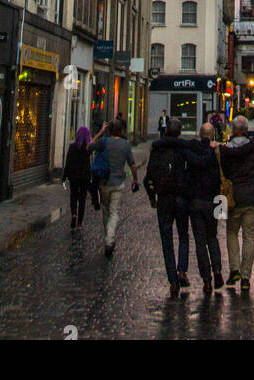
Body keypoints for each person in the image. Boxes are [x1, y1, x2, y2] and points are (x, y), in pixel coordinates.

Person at [220, 114, 254, 291]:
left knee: (231, 233)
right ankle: (245, 277)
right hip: (251, 197)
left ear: (234, 130)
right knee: (249, 237)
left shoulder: (226, 149)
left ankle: (234, 268)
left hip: (233, 199)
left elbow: (222, 173)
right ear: (247, 130)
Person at [144, 116, 192, 297]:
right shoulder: (185, 148)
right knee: (183, 235)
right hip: (181, 197)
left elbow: (148, 176)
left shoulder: (157, 149)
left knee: (166, 239)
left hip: (163, 198)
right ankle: (182, 271)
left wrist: (152, 197)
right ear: (180, 132)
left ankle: (172, 280)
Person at [89, 118, 140, 257]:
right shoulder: (125, 145)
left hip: (104, 183)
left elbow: (89, 146)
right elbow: (132, 164)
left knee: (106, 210)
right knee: (114, 211)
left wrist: (100, 132)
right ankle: (109, 239)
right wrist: (135, 180)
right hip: (118, 183)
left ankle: (109, 237)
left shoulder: (104, 142)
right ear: (122, 130)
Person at [184, 122, 225, 294]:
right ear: (213, 135)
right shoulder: (217, 151)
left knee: (200, 242)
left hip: (195, 201)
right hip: (216, 199)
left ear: (200, 135)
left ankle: (206, 280)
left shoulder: (192, 150)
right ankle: (217, 271)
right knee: (213, 237)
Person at [60, 126, 93, 229]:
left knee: (73, 196)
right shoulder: (88, 148)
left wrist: (64, 176)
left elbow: (68, 162)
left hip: (73, 175)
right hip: (84, 176)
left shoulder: (72, 146)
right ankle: (79, 223)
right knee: (82, 199)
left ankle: (74, 214)